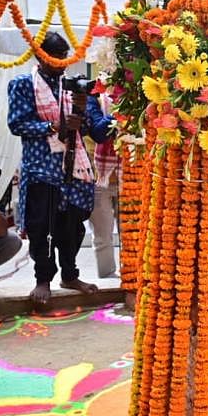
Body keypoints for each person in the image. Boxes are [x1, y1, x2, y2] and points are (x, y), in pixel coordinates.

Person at [8, 32, 113, 308]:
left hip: (73, 171)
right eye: (57, 58)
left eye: (65, 58)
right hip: (42, 168)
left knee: (73, 225)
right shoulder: (23, 84)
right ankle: (43, 279)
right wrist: (52, 127)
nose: (63, 64)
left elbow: (92, 129)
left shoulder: (72, 87)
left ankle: (70, 275)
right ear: (41, 57)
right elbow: (17, 125)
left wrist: (101, 115)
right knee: (41, 227)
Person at [90, 92, 119, 278]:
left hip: (132, 174)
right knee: (102, 236)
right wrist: (120, 113)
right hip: (100, 177)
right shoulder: (95, 98)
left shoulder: (140, 96)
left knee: (134, 233)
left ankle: (133, 277)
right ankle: (107, 279)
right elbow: (97, 132)